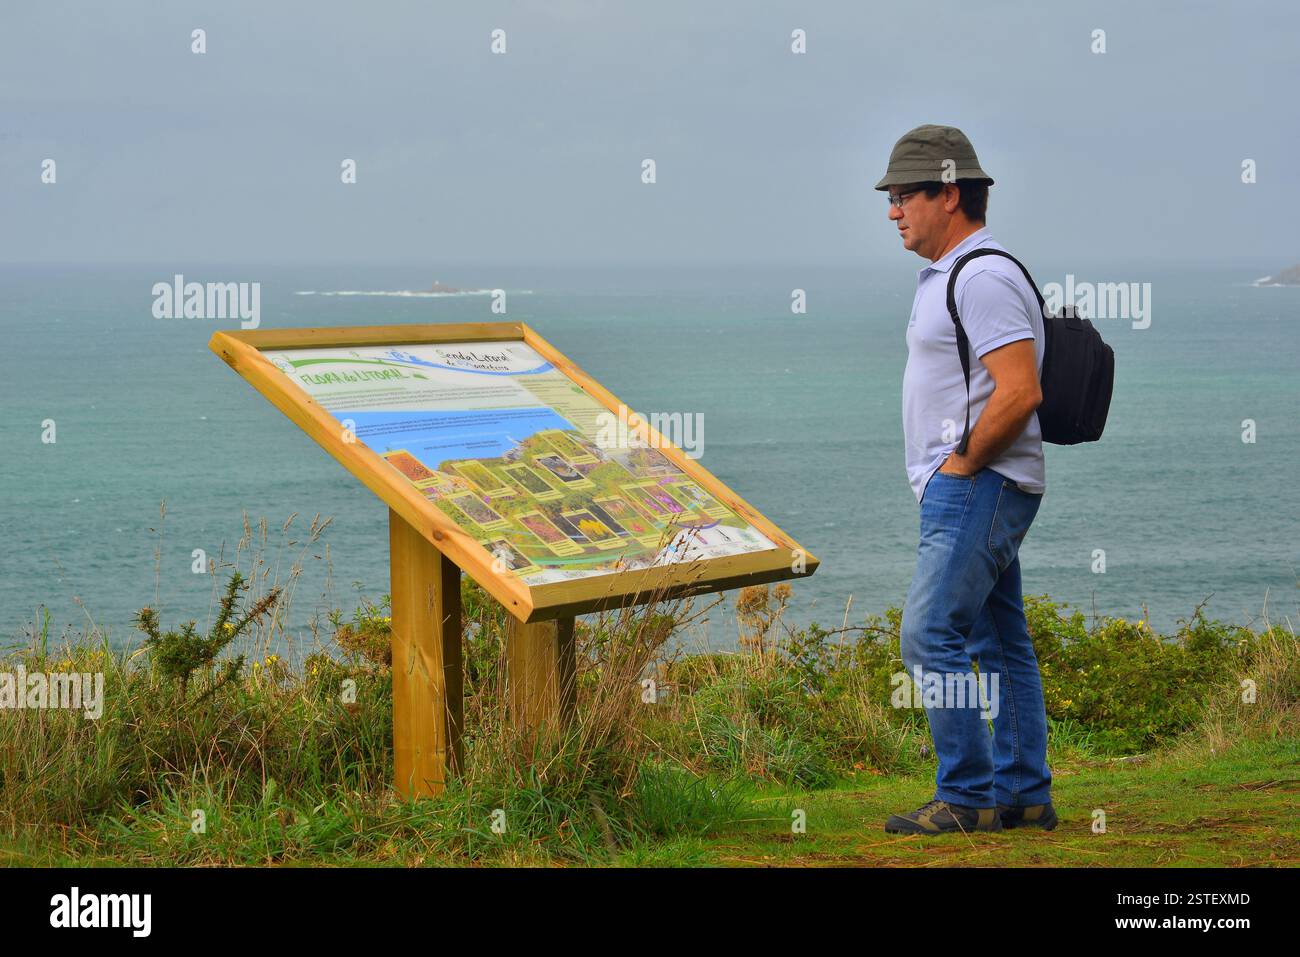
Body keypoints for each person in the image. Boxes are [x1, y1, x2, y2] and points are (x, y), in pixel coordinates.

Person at [875, 124, 1057, 834]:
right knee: (997, 637)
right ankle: (1023, 793)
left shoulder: (980, 276)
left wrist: (963, 462)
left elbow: (1019, 391)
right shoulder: (958, 273)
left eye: (903, 195)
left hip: (979, 482)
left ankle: (968, 792)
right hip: (970, 482)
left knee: (926, 634)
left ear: (948, 193)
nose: (893, 210)